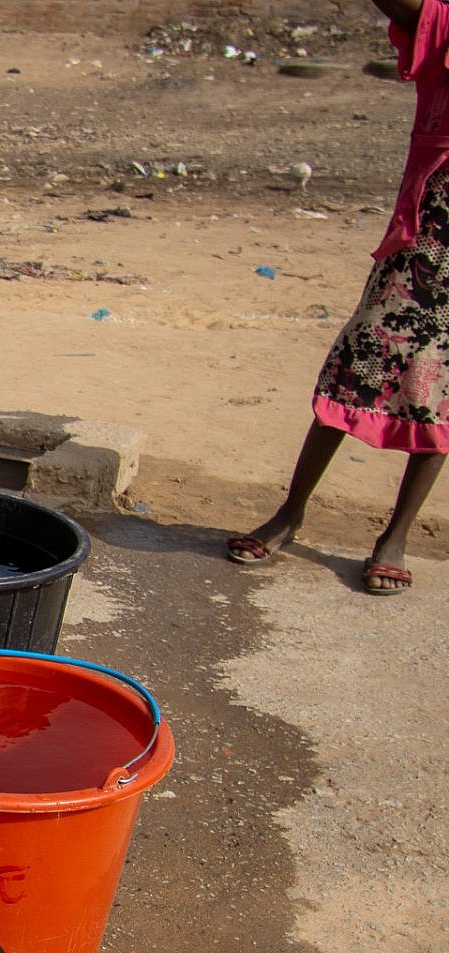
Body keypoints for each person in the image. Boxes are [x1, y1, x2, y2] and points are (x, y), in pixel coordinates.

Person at [228, 0, 443, 595]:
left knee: (442, 394)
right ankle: (290, 513)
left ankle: (394, 537)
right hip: (427, 240)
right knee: (359, 363)